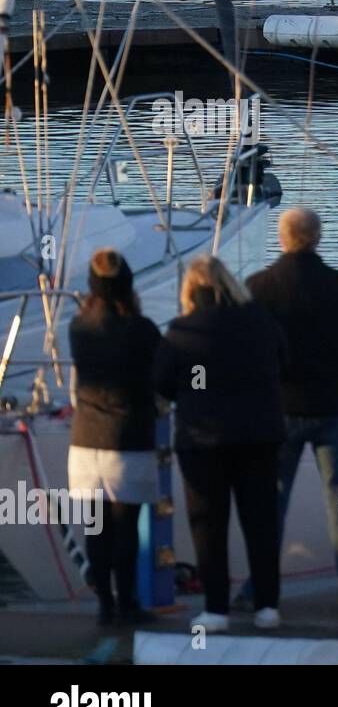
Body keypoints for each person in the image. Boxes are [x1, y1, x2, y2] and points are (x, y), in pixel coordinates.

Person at [242, 207, 338, 611]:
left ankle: (257, 591)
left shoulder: (258, 286)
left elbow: (249, 350)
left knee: (272, 503)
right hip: (331, 405)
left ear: (282, 238)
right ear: (317, 238)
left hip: (278, 409)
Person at [154, 255, 286, 632]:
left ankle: (216, 608)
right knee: (260, 523)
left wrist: (192, 387)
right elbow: (284, 362)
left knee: (209, 526)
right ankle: (268, 606)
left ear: (190, 290)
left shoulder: (182, 330)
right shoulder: (261, 322)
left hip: (203, 439)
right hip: (259, 436)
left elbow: (161, 381)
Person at [68, 249, 162, 626]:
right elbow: (160, 377)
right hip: (129, 438)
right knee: (126, 530)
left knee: (97, 529)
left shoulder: (78, 328)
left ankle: (104, 604)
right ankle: (129, 603)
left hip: (85, 438)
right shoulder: (142, 330)